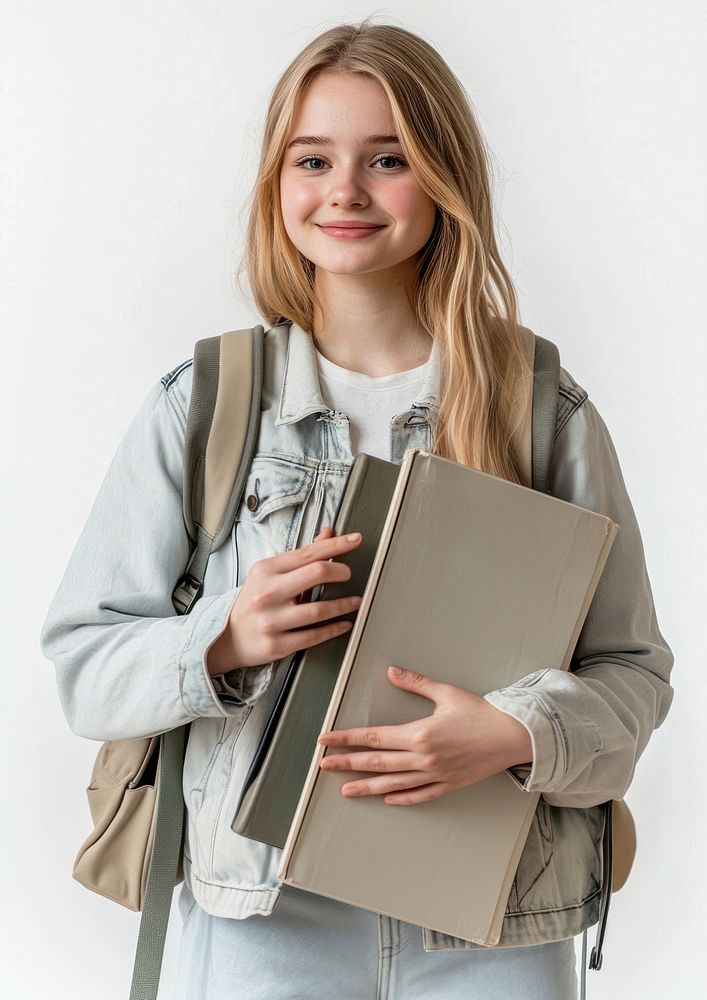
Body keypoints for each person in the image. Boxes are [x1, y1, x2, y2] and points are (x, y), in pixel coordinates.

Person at [39, 17, 674, 1000]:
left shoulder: (540, 408)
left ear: (442, 177)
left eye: (386, 157)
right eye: (312, 158)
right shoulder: (206, 402)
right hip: (262, 921)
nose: (343, 190)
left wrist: (514, 734)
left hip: (491, 929)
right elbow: (84, 665)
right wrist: (222, 637)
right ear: (275, 183)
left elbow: (631, 676)